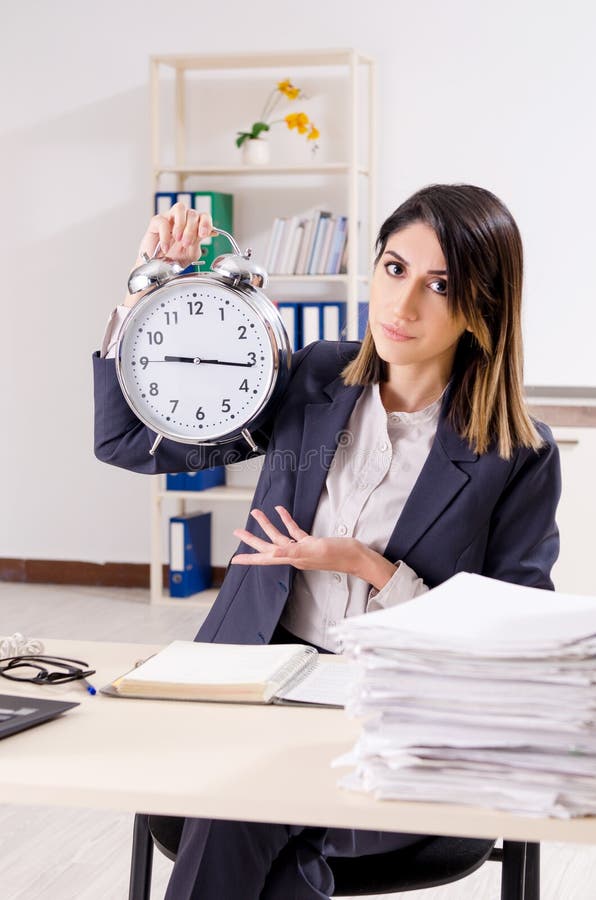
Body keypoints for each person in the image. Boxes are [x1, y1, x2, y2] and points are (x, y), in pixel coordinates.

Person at [93, 184, 561, 899]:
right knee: (255, 808)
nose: (403, 306)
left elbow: (512, 645)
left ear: (483, 307)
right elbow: (129, 442)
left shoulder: (516, 451)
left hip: (397, 718)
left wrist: (370, 567)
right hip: (256, 688)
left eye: (441, 285)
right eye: (395, 268)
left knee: (242, 811)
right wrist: (148, 292)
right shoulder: (313, 377)